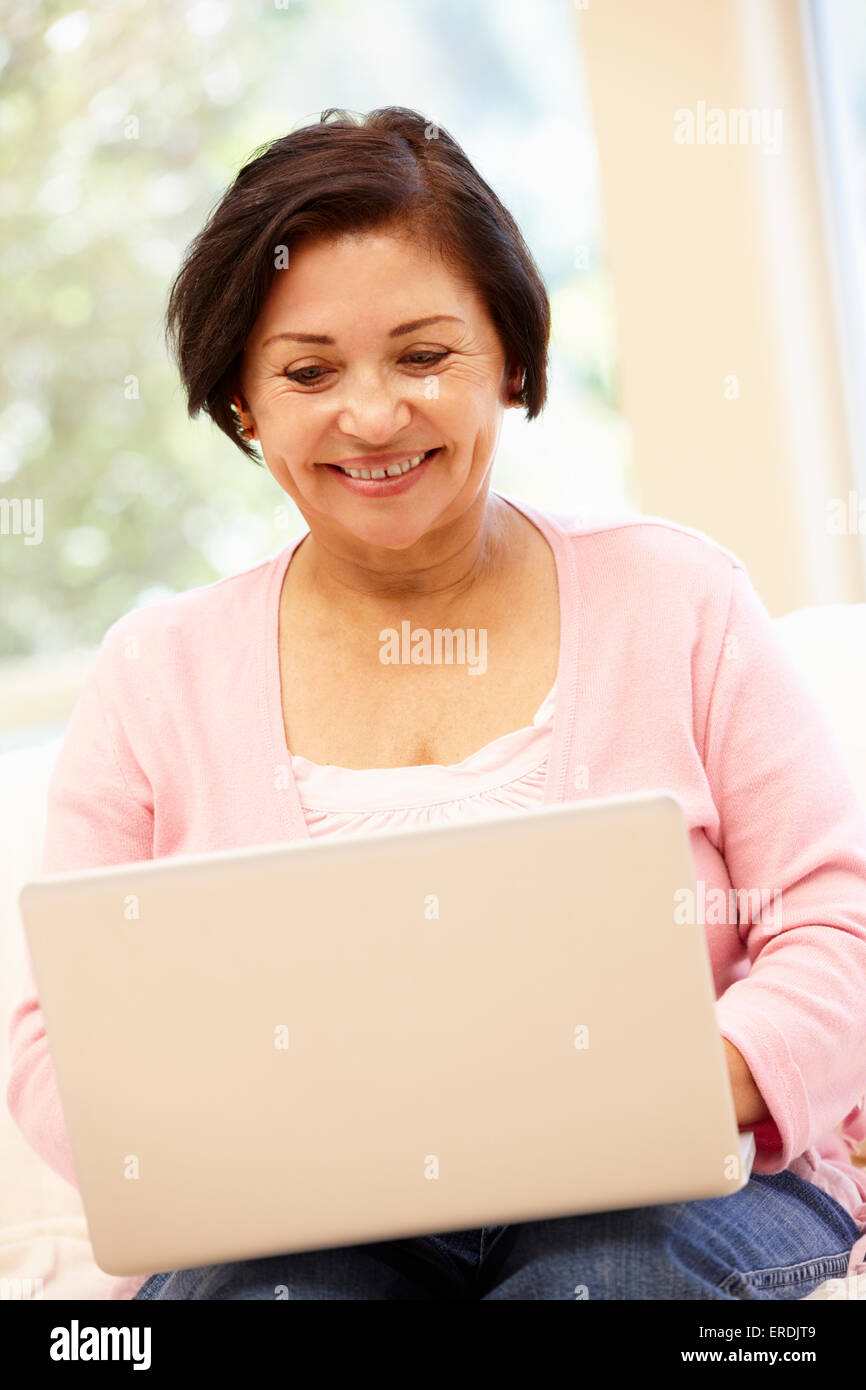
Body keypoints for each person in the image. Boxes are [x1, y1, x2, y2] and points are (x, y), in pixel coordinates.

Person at [8, 107, 866, 1301]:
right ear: (243, 403)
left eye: (422, 356)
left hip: (677, 1194)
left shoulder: (677, 597)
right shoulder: (155, 671)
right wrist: (232, 1156)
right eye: (308, 371)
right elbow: (61, 1043)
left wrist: (690, 1077)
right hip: (298, 1218)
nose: (371, 415)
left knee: (603, 1273)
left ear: (510, 361)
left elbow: (834, 925)